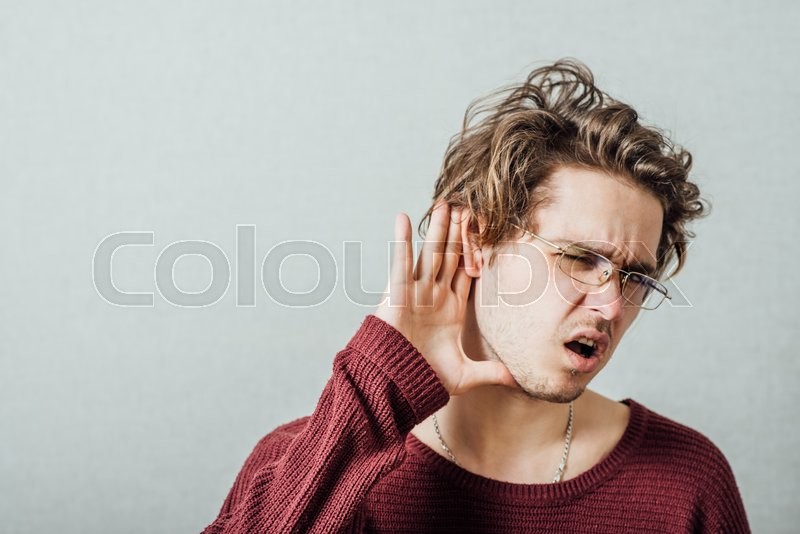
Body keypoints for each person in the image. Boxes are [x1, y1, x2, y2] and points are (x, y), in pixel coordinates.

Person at [203, 59, 749, 533]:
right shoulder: (315, 467)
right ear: (477, 243)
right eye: (581, 258)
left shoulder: (686, 482)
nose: (610, 305)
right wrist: (378, 387)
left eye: (634, 277)